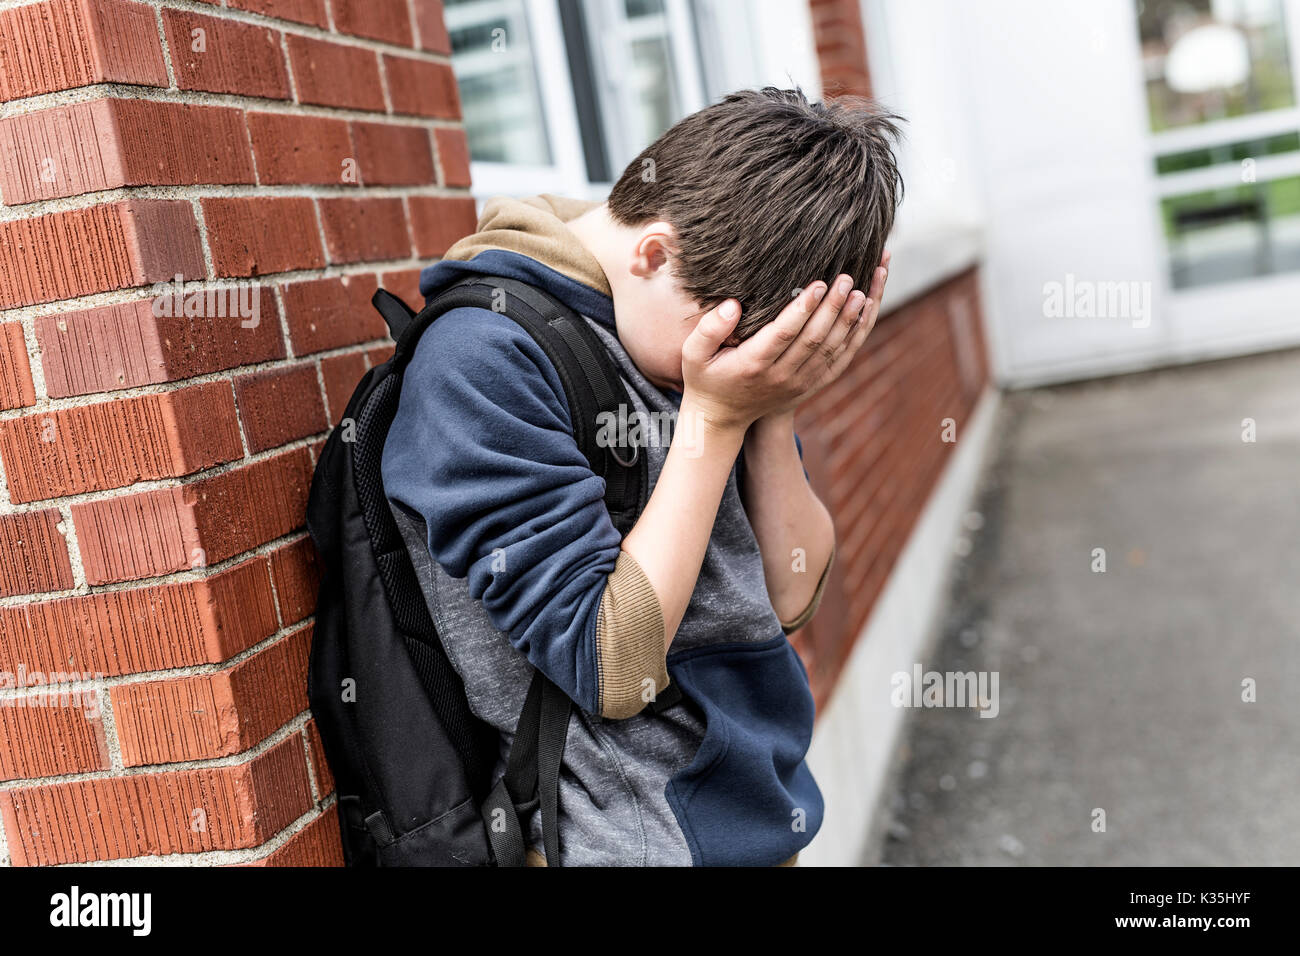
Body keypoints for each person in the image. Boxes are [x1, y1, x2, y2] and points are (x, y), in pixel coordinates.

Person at [381, 87, 902, 866]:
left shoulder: (707, 330)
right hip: (626, 841)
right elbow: (610, 664)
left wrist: (775, 407)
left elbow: (791, 595)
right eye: (734, 343)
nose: (739, 367)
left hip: (756, 813)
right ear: (653, 254)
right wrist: (717, 417)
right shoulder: (483, 362)